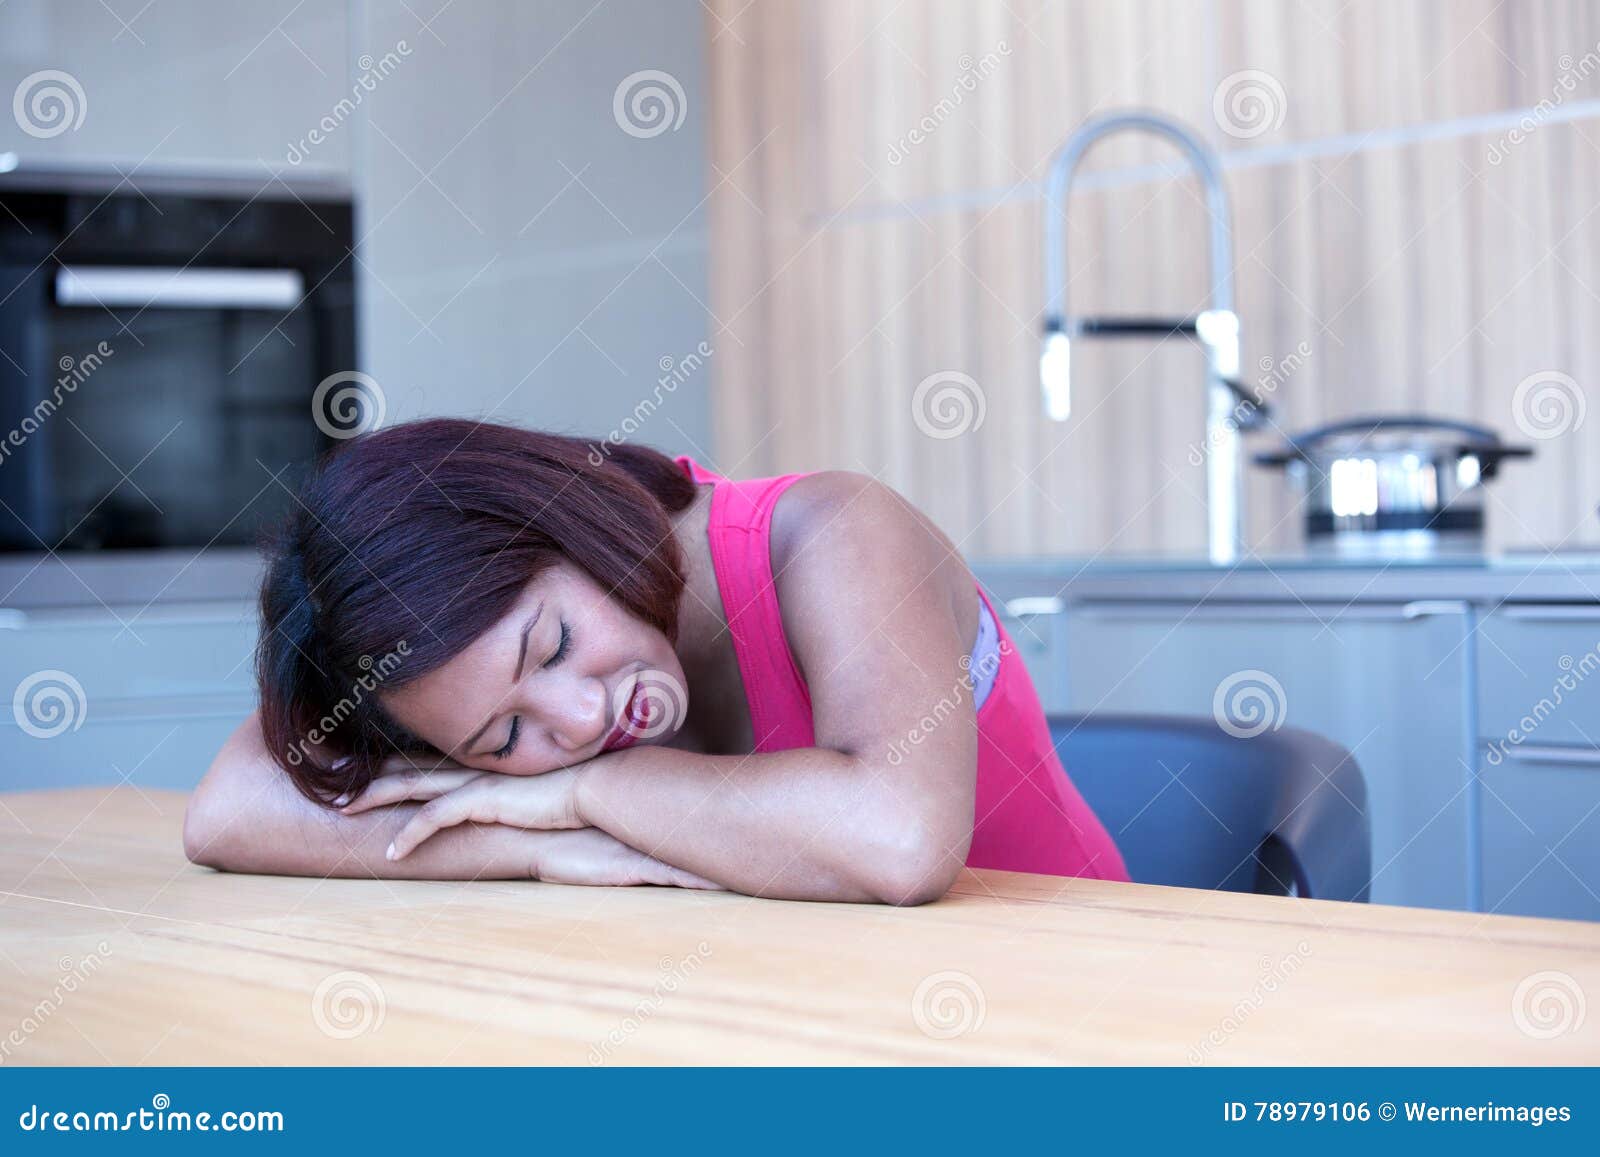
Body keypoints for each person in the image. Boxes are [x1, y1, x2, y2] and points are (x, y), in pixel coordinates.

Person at [184, 418, 1128, 903]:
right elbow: (229, 808)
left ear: (566, 523)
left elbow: (899, 842)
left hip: (1083, 1008)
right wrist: (531, 846)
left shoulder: (831, 533)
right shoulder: (450, 683)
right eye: (505, 737)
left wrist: (586, 793)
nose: (581, 717)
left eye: (554, 644)